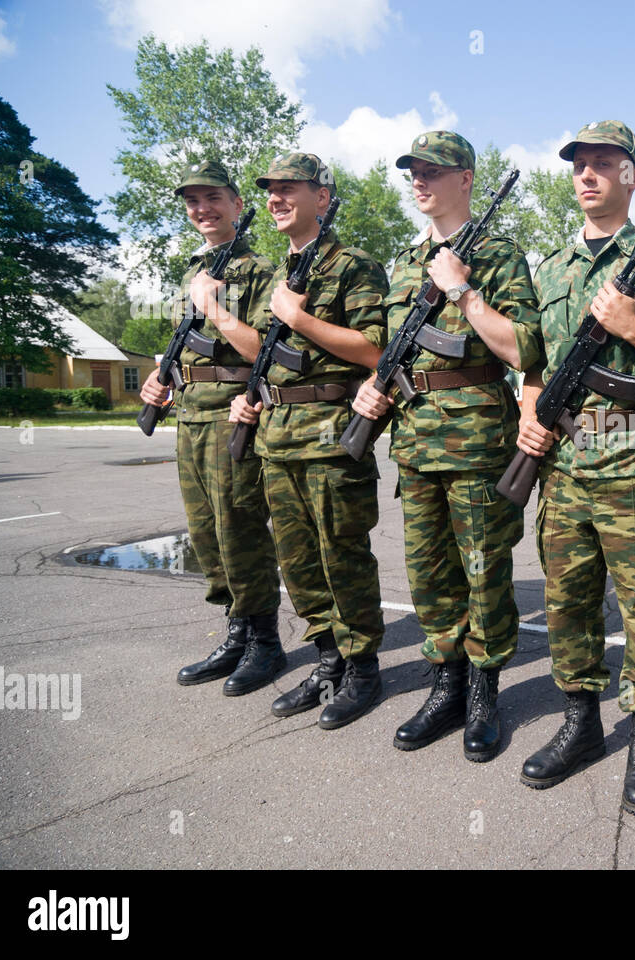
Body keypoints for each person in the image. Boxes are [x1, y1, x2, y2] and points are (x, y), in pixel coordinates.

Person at [514, 121, 635, 816]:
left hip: (632, 457)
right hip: (562, 462)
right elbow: (533, 361)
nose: (588, 175)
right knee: (566, 600)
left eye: (604, 165)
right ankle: (582, 721)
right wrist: (529, 413)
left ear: (634, 178)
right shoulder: (553, 268)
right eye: (580, 166)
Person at [351, 131, 541, 761]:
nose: (419, 180)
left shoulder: (499, 255)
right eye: (413, 170)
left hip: (478, 444)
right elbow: (389, 350)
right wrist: (372, 390)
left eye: (433, 170)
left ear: (466, 179)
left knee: (484, 572)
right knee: (428, 575)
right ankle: (446, 682)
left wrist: (462, 287)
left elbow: (521, 349)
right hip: (414, 443)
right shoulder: (403, 262)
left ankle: (485, 691)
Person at [228, 152, 390, 730]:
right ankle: (328, 659)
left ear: (322, 197)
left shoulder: (354, 267)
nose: (275, 198)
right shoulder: (280, 274)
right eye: (269, 189)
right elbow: (272, 361)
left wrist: (301, 320)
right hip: (276, 440)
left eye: (288, 188)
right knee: (298, 563)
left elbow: (377, 350)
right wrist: (251, 393)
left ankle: (364, 669)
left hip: (328, 440)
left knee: (342, 556)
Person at [140, 160, 283, 697]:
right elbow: (182, 344)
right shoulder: (194, 271)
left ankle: (265, 641)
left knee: (239, 529)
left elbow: (267, 353)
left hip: (233, 415)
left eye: (214, 198)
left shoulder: (260, 271)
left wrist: (218, 310)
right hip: (190, 417)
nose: (203, 209)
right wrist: (160, 379)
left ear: (236, 205)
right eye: (194, 201)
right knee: (204, 534)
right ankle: (236, 631)